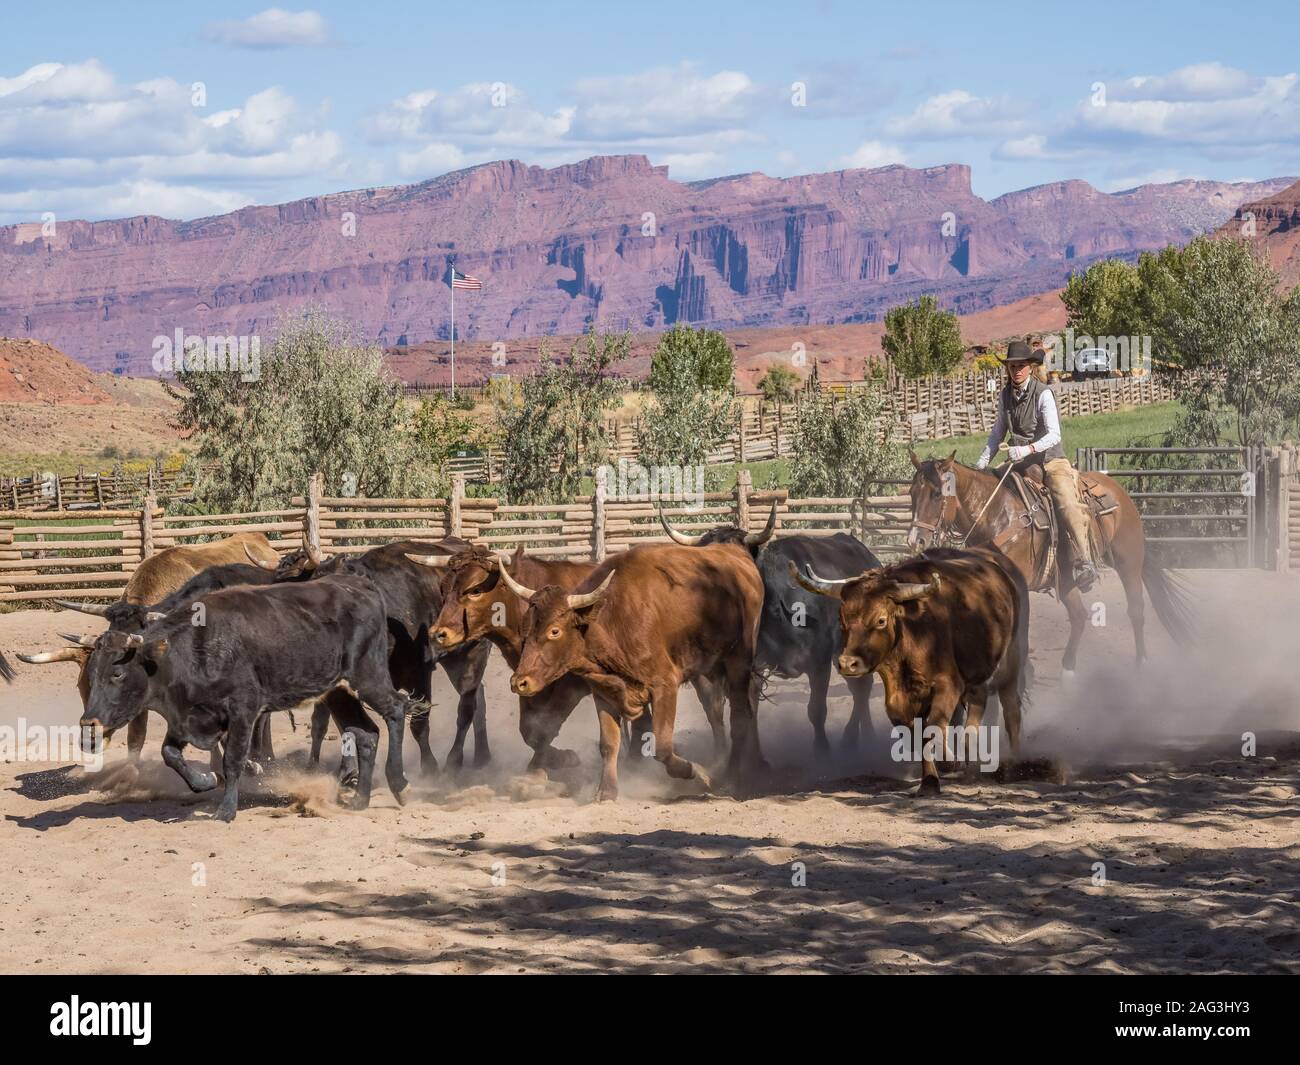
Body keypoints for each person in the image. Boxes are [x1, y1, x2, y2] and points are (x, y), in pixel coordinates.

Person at [978, 339, 1099, 590]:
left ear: (1031, 367)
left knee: (1066, 501)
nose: (1017, 370)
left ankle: (1085, 561)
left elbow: (1054, 434)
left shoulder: (1043, 393)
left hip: (1050, 460)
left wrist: (1028, 448)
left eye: (1021, 365)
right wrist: (982, 463)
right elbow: (997, 433)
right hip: (1019, 461)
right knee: (989, 490)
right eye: (1012, 366)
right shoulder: (1005, 395)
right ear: (1008, 369)